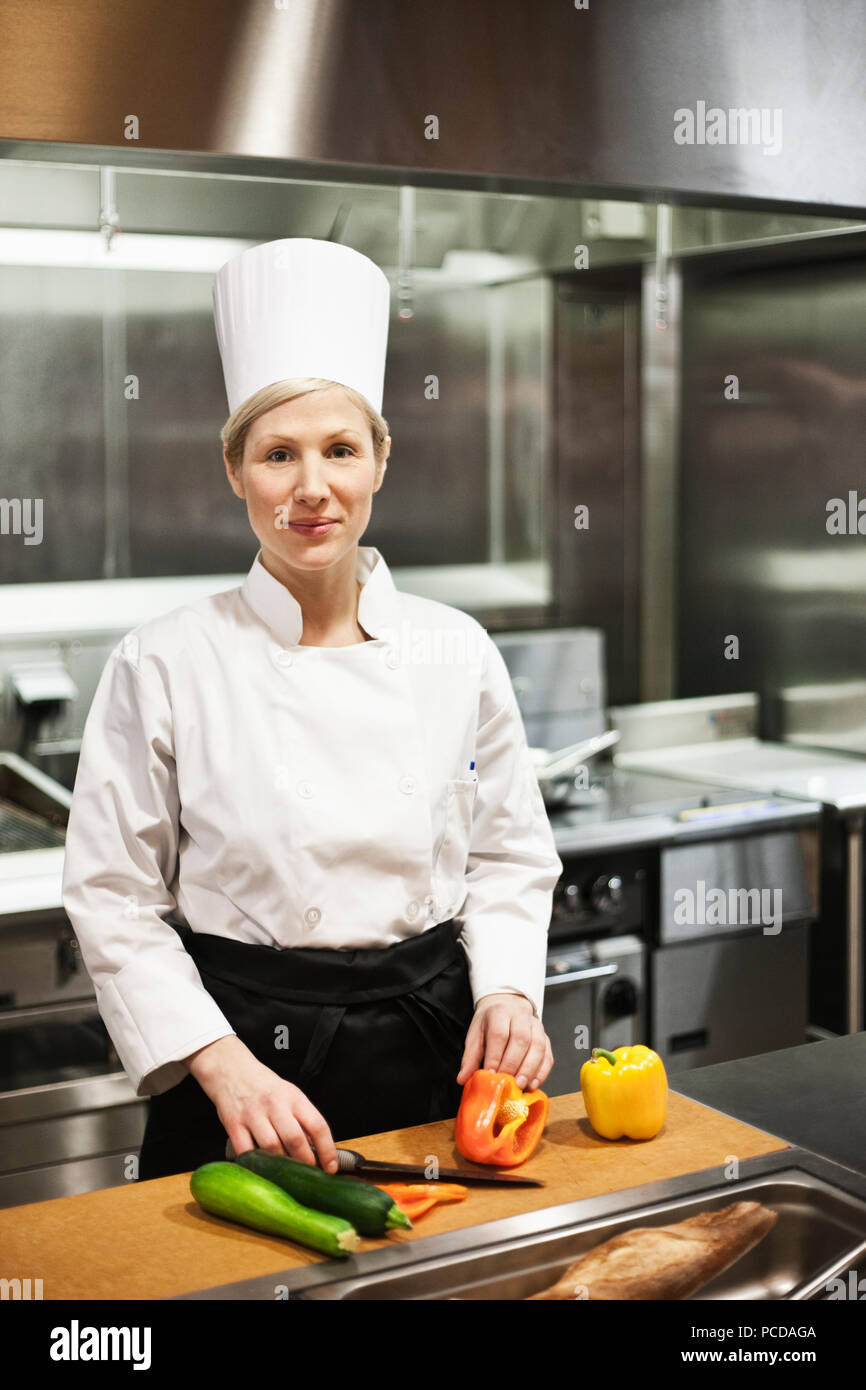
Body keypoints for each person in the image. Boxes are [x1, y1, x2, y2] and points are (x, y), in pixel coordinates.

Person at [61, 238, 564, 1181]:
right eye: (277, 455)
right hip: (246, 1070)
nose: (310, 488)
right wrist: (220, 1067)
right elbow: (113, 896)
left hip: (437, 1053)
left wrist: (509, 992)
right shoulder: (163, 660)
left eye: (339, 450)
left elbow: (507, 855)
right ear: (234, 471)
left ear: (379, 462)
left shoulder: (457, 649)